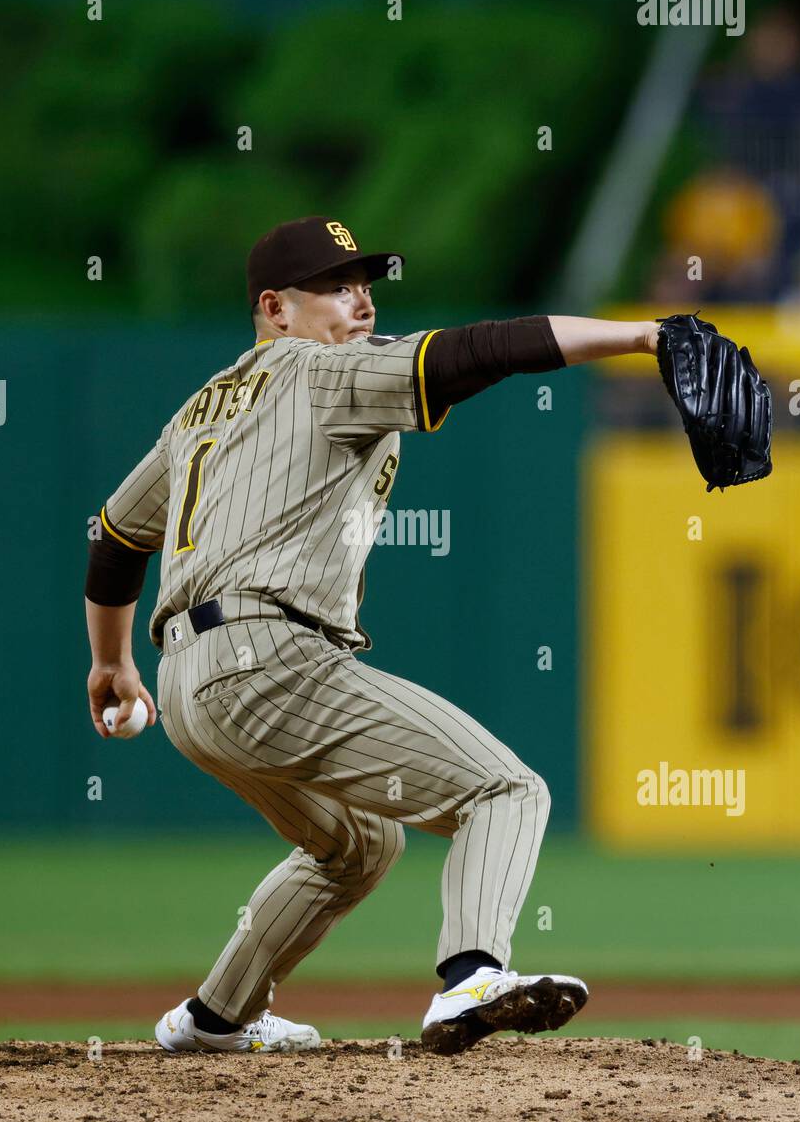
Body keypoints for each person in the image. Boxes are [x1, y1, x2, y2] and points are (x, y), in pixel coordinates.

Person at [84, 216, 659, 1056]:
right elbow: (481, 351)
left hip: (185, 687)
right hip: (268, 659)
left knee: (358, 845)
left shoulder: (200, 410)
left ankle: (214, 1019)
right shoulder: (324, 372)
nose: (361, 301)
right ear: (275, 309)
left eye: (366, 284)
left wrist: (109, 661)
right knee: (506, 791)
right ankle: (470, 977)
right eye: (336, 287)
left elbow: (114, 535)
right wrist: (643, 333)